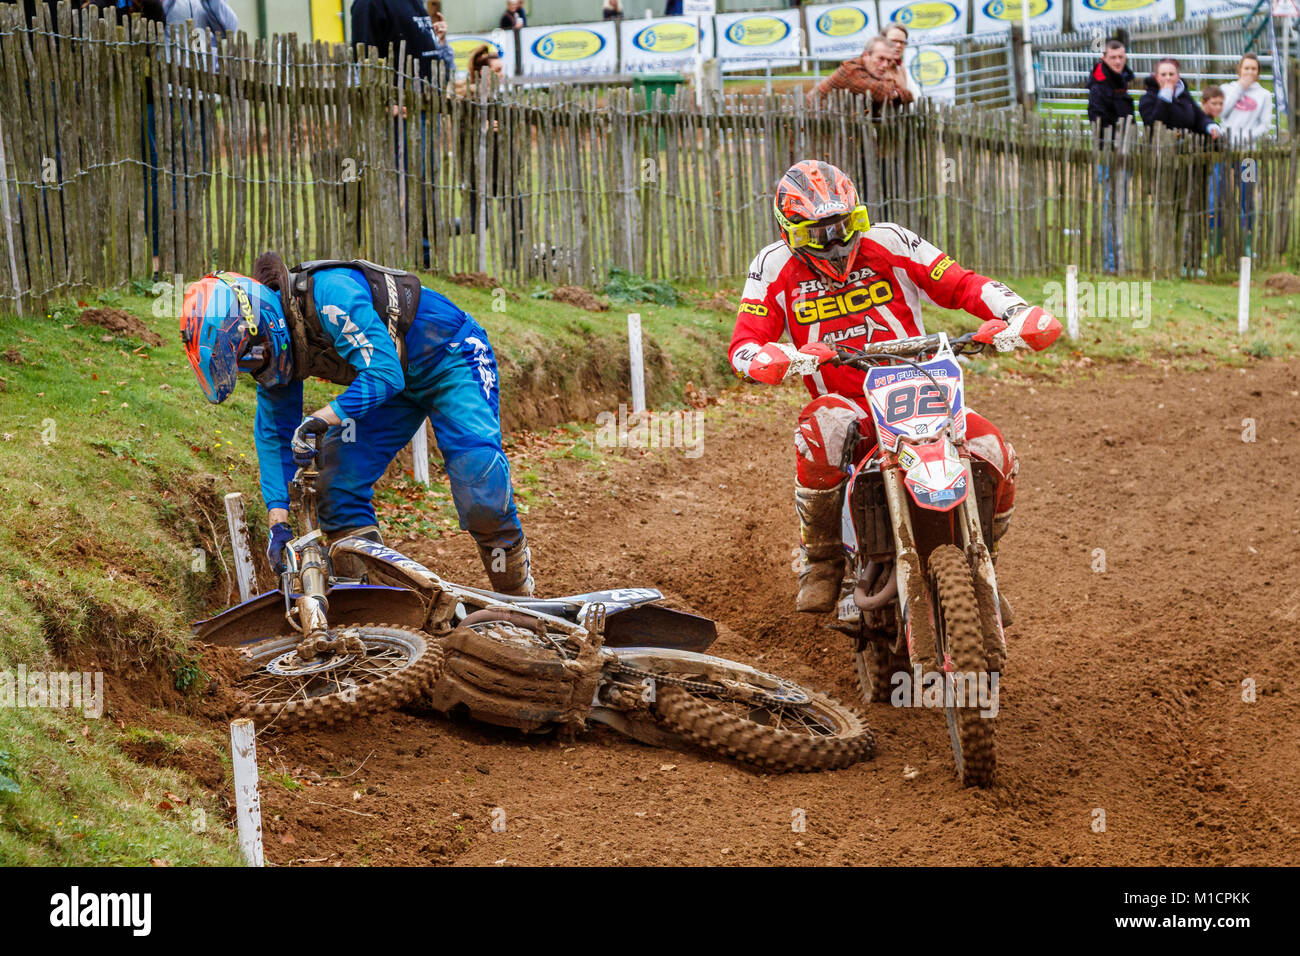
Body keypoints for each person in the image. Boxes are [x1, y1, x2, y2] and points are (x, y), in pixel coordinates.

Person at [729, 161, 1058, 614]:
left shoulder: (890, 241)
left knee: (994, 450)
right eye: (819, 233)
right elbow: (745, 343)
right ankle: (823, 560)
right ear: (791, 231)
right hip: (848, 406)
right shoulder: (773, 265)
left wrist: (1016, 312)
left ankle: (984, 561)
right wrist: (771, 358)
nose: (837, 241)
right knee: (821, 427)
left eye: (846, 226)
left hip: (921, 388)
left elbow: (961, 284)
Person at [180, 253, 535, 595]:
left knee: (479, 485)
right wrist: (278, 525)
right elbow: (274, 437)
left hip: (450, 356)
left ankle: (519, 596)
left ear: (259, 321)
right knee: (334, 482)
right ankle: (376, 606)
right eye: (243, 366)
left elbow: (385, 372)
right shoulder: (277, 349)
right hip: (392, 384)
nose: (254, 366)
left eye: (251, 355)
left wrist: (322, 418)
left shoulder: (332, 296)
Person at [352, 0, 454, 86]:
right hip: (401, 102)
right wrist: (387, 102)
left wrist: (435, 40)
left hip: (429, 99)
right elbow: (364, 56)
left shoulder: (416, 2)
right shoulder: (370, 3)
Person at [808, 36, 913, 117]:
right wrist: (894, 91)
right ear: (866, 55)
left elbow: (909, 95)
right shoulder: (851, 70)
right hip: (812, 124)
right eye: (880, 59)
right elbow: (882, 93)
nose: (885, 65)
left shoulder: (872, 72)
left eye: (889, 60)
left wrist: (893, 92)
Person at [1138, 58, 1221, 140]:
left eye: (1171, 74)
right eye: (1163, 74)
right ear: (1156, 77)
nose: (1168, 78)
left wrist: (1210, 126)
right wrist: (1165, 98)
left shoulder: (1184, 95)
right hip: (1161, 147)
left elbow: (1199, 117)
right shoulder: (1147, 99)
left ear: (1178, 76)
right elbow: (1152, 124)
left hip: (1187, 145)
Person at [1220, 53, 1273, 145]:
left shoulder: (1265, 95)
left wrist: (1245, 138)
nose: (1250, 72)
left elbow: (1265, 125)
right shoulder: (1225, 89)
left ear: (1258, 72)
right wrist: (1239, 88)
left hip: (1249, 149)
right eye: (1246, 68)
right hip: (1225, 146)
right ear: (1239, 69)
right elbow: (1222, 113)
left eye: (1253, 69)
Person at [1086, 38, 1135, 132]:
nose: (1118, 62)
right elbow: (1098, 122)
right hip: (1110, 142)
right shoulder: (1098, 87)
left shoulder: (1122, 78)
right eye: (1113, 57)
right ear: (1103, 59)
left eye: (1121, 57)